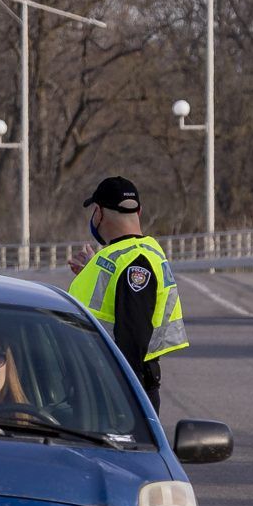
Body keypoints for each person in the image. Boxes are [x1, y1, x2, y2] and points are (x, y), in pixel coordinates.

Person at [67, 176, 187, 411]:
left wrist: (125, 406)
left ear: (99, 213)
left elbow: (132, 342)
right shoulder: (126, 256)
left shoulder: (135, 263)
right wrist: (90, 270)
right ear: (139, 212)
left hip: (117, 394)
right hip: (104, 387)